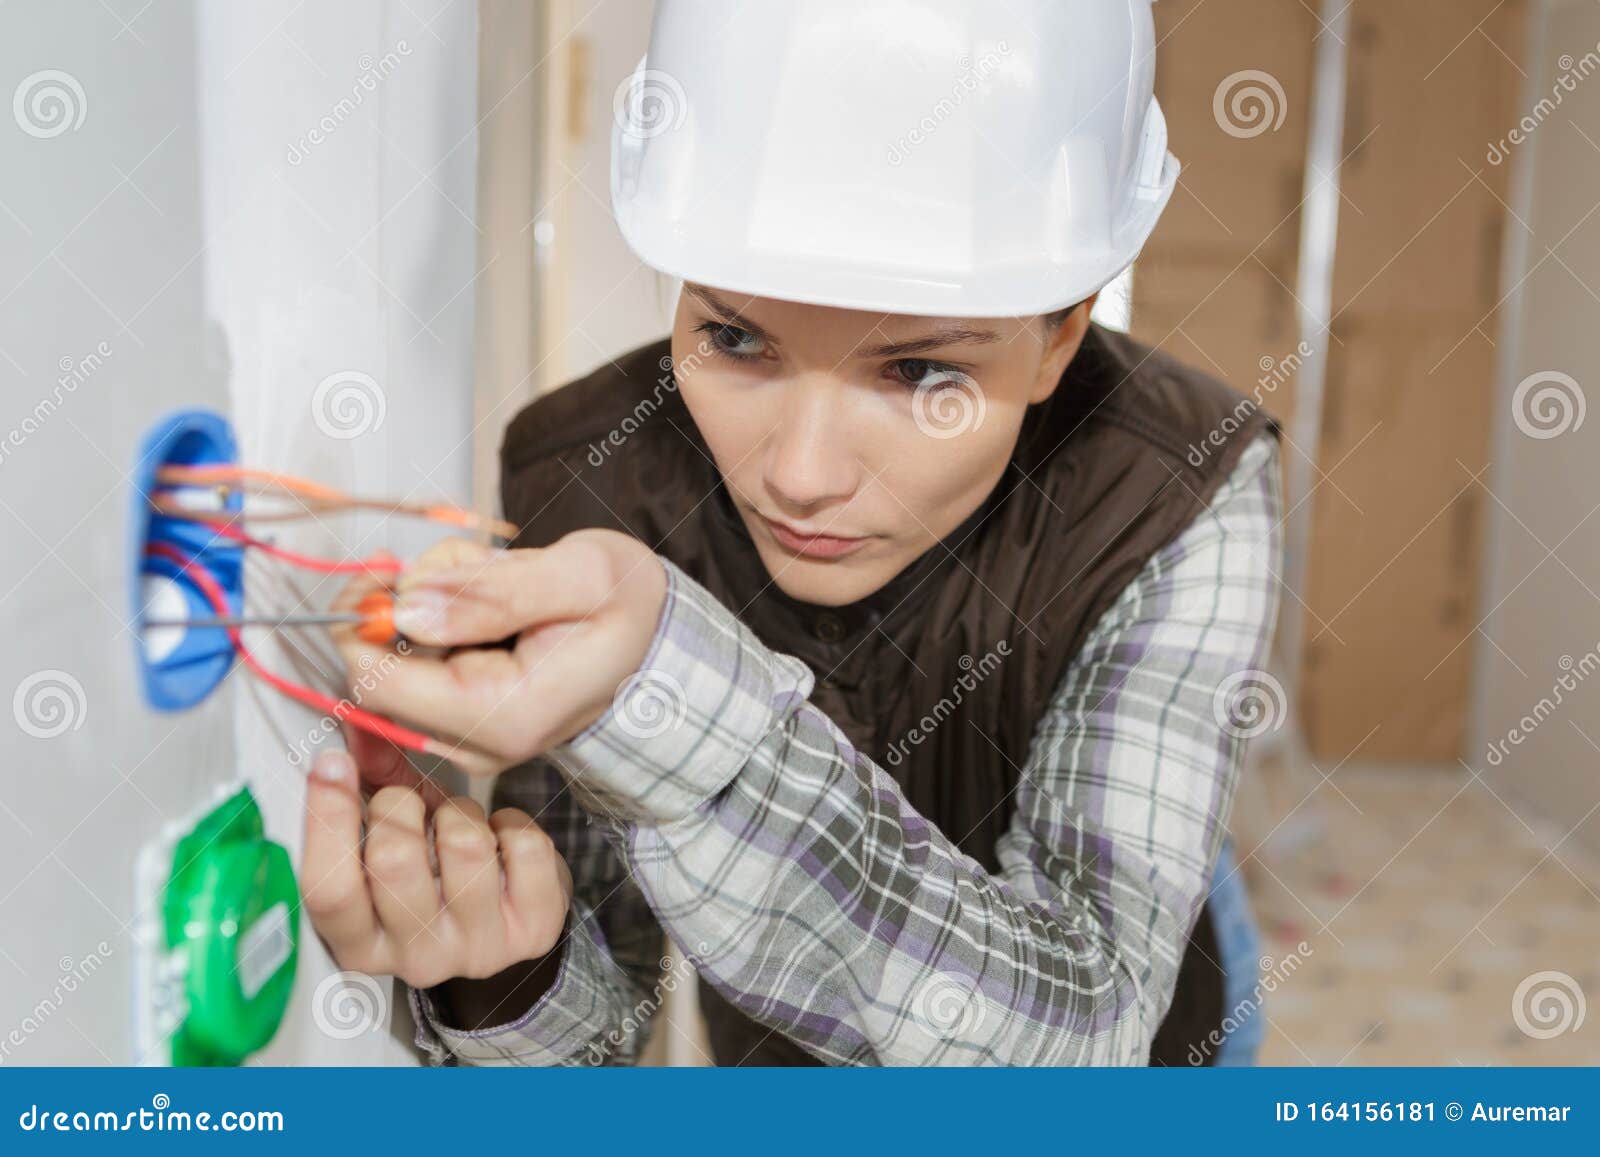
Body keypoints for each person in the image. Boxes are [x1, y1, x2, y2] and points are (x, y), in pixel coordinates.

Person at [300, 0, 1284, 1066]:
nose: (798, 475)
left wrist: (661, 690)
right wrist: (505, 968)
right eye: (735, 337)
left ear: (1063, 331)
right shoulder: (588, 473)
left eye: (919, 372)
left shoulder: (1183, 484)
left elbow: (1087, 1033)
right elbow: (601, 1030)